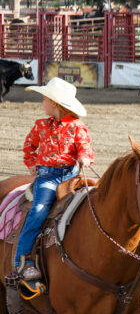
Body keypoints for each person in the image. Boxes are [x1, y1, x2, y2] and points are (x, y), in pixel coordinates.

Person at [18, 78, 94, 280]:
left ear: (54, 103)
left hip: (70, 175)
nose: (42, 103)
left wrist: (84, 157)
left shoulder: (77, 126)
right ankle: (23, 260)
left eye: (44, 99)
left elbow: (84, 147)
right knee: (38, 212)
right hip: (47, 177)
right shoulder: (41, 125)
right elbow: (29, 145)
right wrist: (31, 162)